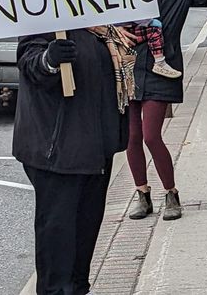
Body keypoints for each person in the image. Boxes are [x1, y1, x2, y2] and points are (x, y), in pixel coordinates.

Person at [13, 25, 134, 295]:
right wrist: (50, 61)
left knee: (82, 247)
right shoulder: (47, 16)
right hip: (58, 152)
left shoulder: (106, 26)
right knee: (58, 251)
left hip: (96, 149)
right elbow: (29, 60)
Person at [127, 0, 207, 221]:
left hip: (162, 69)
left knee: (152, 135)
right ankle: (142, 194)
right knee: (131, 137)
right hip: (129, 69)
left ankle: (171, 193)